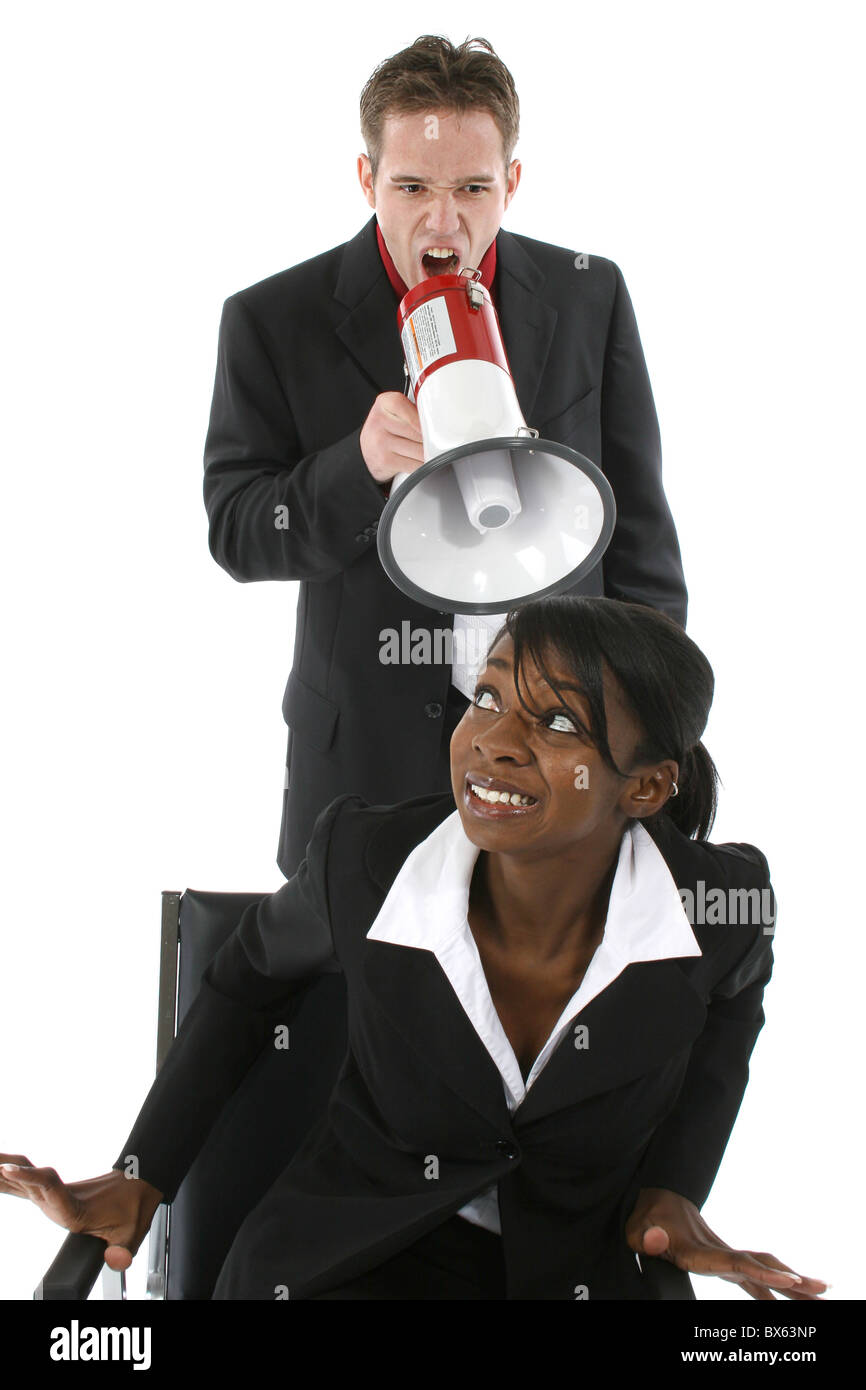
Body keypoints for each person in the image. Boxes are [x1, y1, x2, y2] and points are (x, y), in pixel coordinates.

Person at [1, 597, 825, 1300]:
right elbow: (246, 979)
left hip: (582, 1267)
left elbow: (732, 1015)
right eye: (489, 696)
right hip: (350, 1260)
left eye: (560, 722)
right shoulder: (365, 865)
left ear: (644, 787)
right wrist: (146, 1172)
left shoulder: (720, 911)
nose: (495, 741)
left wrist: (672, 1188)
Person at [201, 34, 688, 878]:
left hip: (561, 752)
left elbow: (640, 539)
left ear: (514, 182)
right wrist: (356, 467)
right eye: (411, 187)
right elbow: (239, 530)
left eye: (473, 188)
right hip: (364, 763)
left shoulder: (587, 296)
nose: (443, 220)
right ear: (366, 180)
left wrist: (635, 732)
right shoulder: (273, 318)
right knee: (363, 1001)